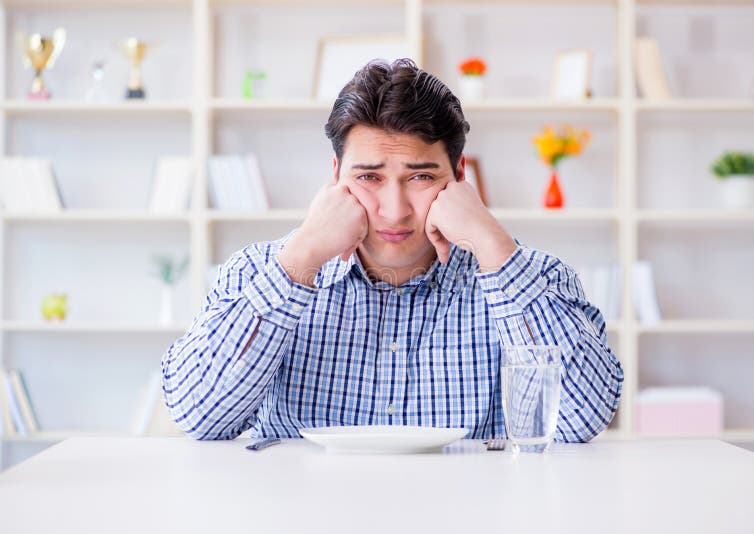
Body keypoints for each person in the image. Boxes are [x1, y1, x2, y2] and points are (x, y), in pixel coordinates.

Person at [161, 58, 623, 442]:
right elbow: (200, 417)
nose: (394, 210)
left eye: (421, 177)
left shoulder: (533, 277)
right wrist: (299, 260)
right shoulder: (260, 271)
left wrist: (493, 246)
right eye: (369, 178)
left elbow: (579, 423)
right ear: (336, 175)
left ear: (459, 175)